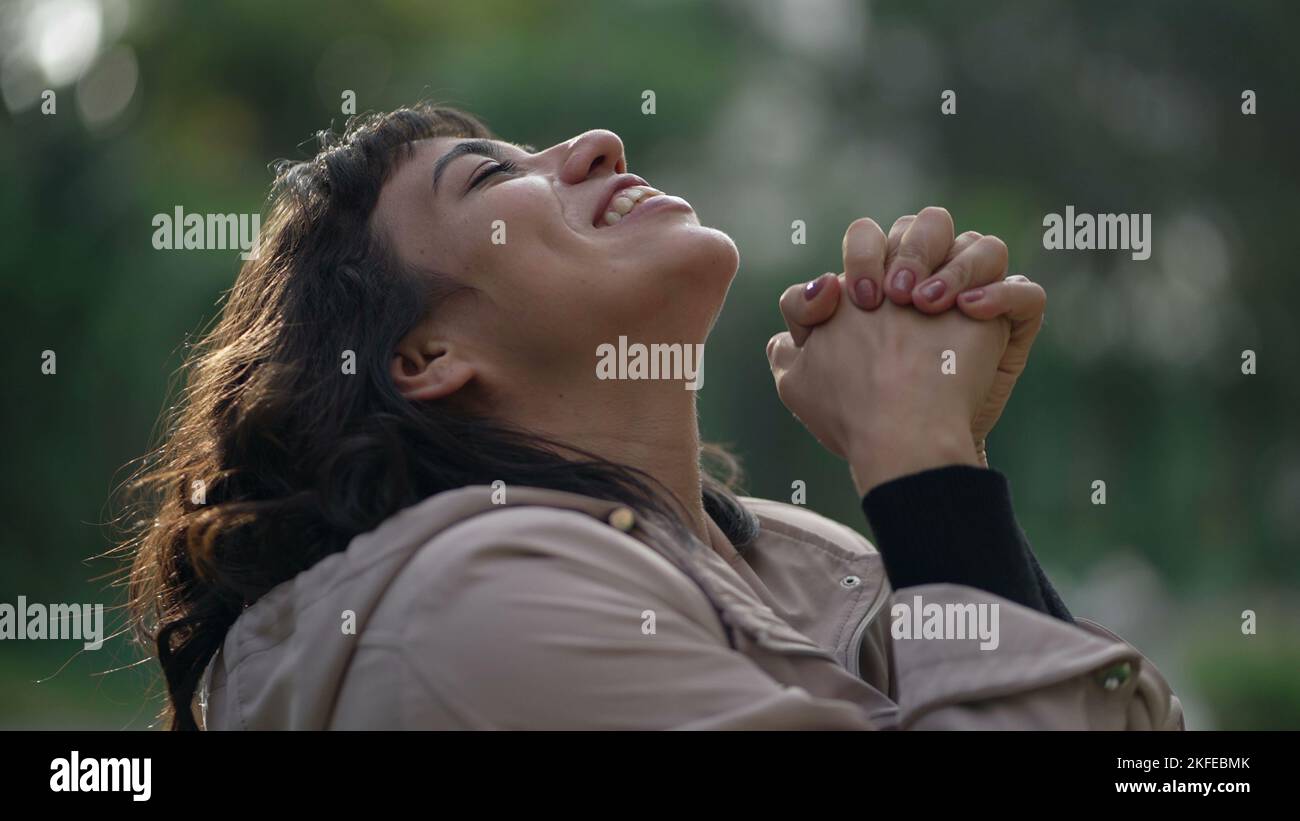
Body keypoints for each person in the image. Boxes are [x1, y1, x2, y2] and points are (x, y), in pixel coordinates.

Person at [121, 104, 1183, 730]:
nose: (595, 144)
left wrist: (947, 470)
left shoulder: (799, 555)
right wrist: (916, 456)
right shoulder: (471, 616)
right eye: (492, 176)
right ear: (426, 356)